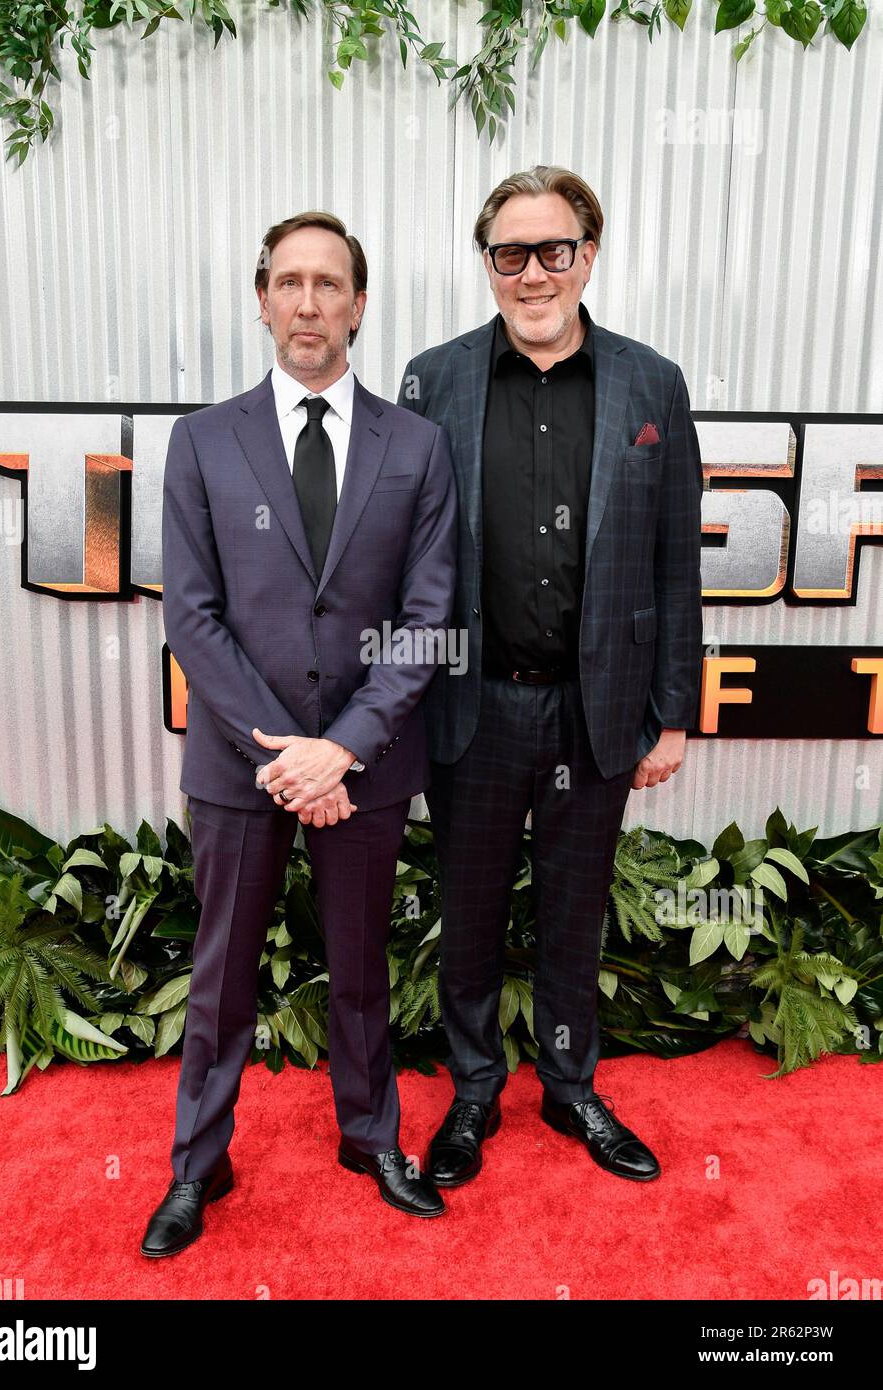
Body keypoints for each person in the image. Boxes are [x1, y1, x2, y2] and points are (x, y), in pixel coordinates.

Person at [142, 211, 457, 1256]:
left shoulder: (415, 447)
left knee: (361, 965)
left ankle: (371, 1139)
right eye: (289, 281)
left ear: (358, 304)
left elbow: (427, 621)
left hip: (363, 767)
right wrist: (286, 754)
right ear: (263, 297)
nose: (309, 301)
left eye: (329, 283)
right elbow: (192, 614)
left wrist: (346, 747)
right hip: (242, 769)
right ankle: (197, 1165)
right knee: (222, 971)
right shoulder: (202, 440)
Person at [396, 165, 703, 1189]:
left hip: (594, 711)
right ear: (486, 263)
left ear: (588, 253)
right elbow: (399, 558)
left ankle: (570, 1088)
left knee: (573, 912)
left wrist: (672, 712)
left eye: (552, 250)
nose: (532, 274)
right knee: (470, 910)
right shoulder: (430, 378)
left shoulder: (648, 384)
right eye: (509, 254)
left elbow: (670, 559)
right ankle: (474, 1091)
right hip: (471, 707)